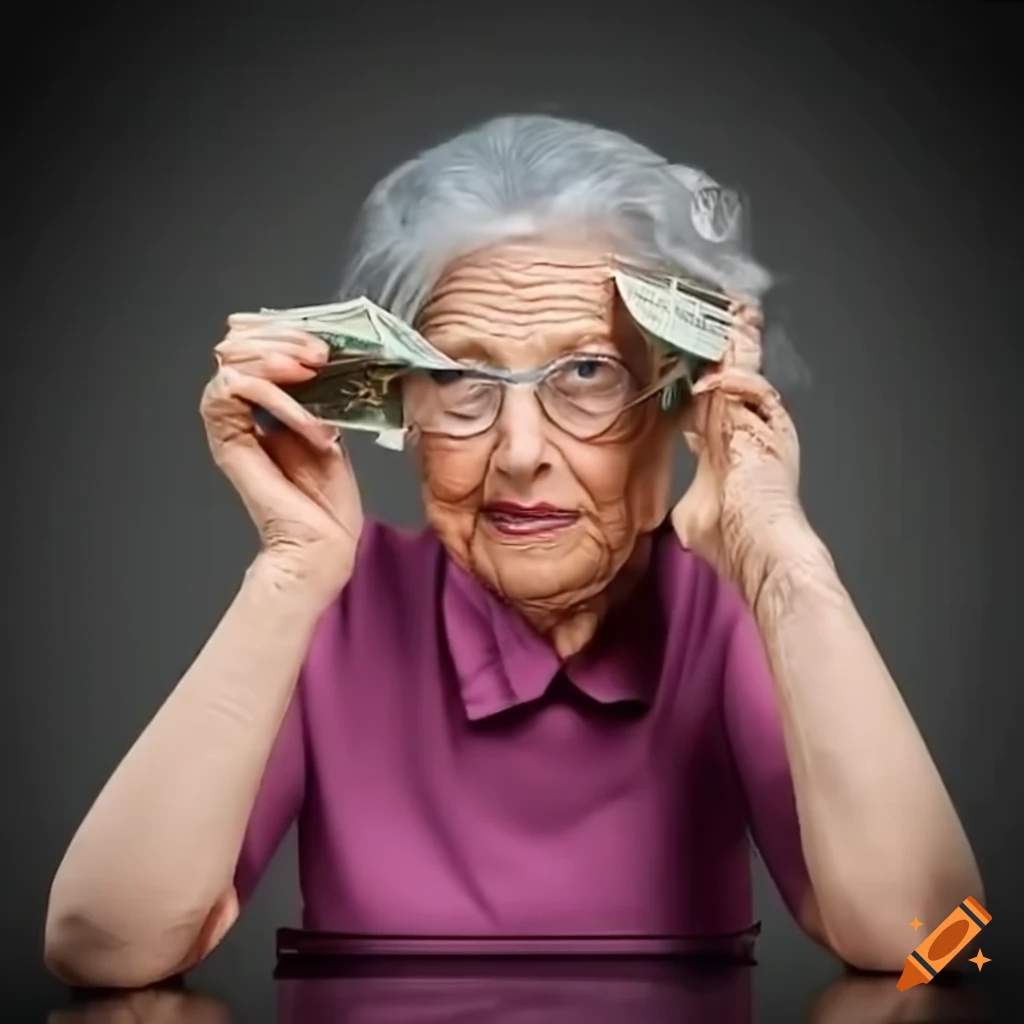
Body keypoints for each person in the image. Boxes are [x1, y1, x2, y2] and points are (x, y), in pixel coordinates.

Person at [44, 115, 982, 989]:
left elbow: (947, 945)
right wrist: (287, 573)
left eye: (586, 373)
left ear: (679, 401)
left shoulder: (726, 607)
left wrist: (787, 563)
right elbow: (97, 946)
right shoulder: (336, 607)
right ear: (394, 405)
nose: (522, 451)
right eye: (459, 380)